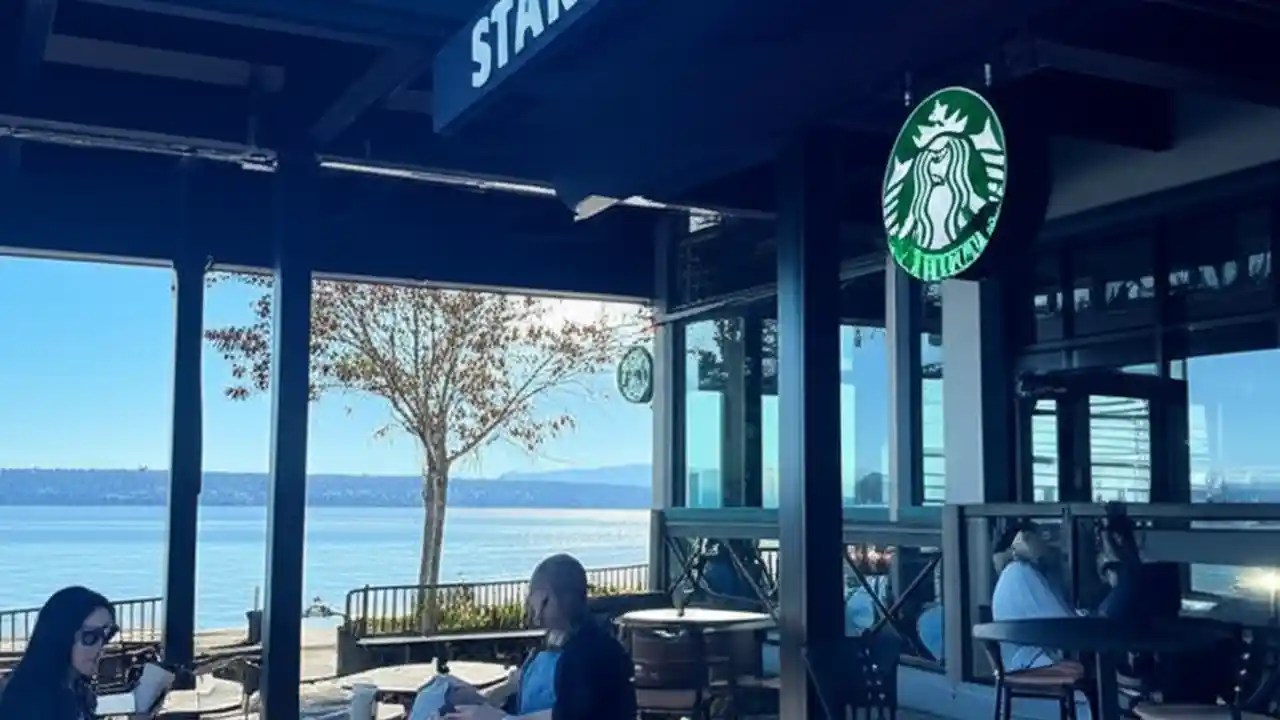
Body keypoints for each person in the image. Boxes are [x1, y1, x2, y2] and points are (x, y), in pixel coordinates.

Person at [444, 554, 635, 720]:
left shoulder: (585, 656)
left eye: (533, 601)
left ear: (545, 599)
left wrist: (498, 718)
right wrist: (483, 700)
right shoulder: (589, 642)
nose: (534, 614)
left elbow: (565, 715)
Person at [0, 586, 118, 720]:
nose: (100, 647)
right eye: (90, 637)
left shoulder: (77, 687)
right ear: (62, 637)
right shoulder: (30, 700)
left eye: (108, 634)